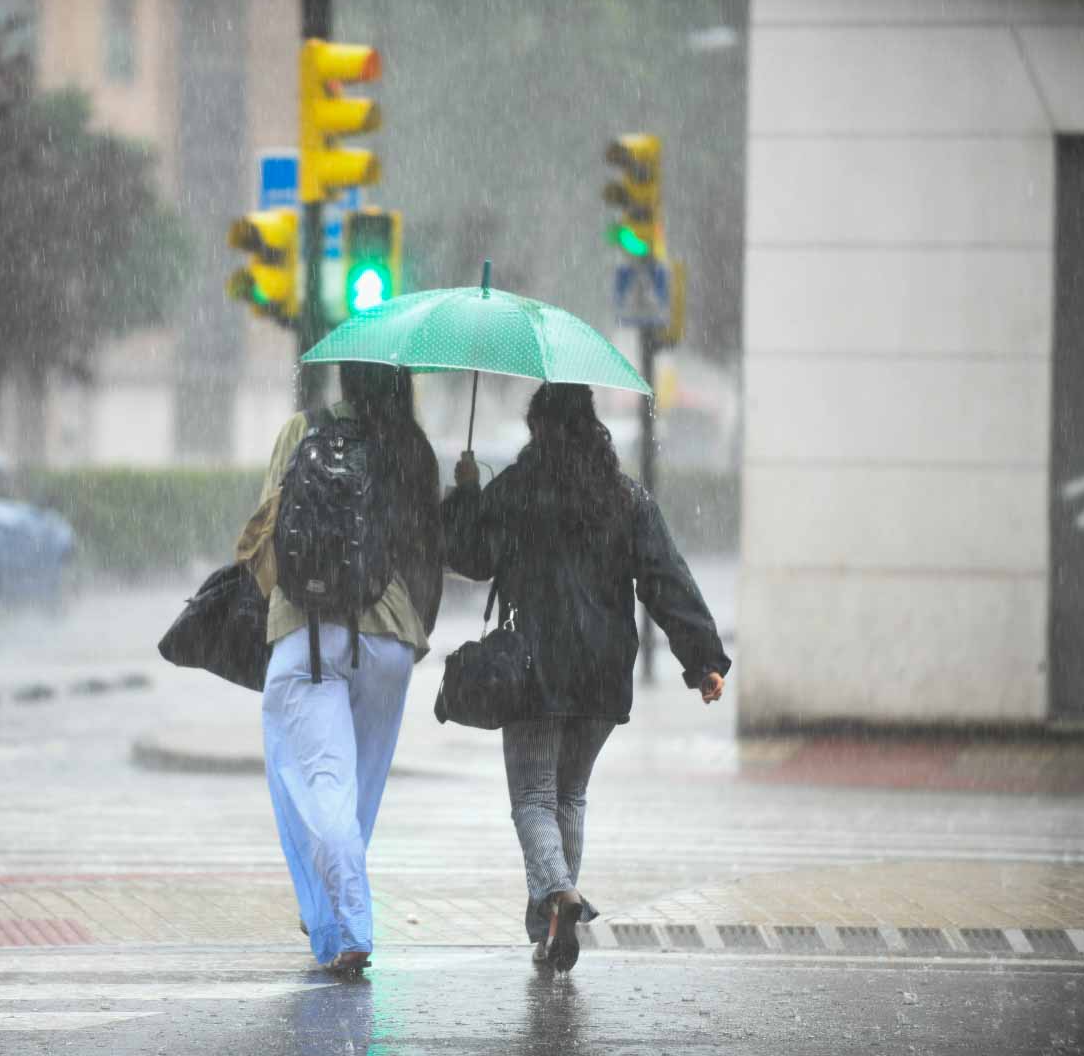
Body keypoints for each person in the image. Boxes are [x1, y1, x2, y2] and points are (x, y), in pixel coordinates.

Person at [442, 382, 729, 972]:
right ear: (592, 427)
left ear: (539, 429)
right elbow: (664, 577)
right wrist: (702, 659)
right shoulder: (625, 498)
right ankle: (552, 925)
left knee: (533, 799)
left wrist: (466, 492)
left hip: (535, 666)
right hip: (603, 669)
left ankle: (559, 894)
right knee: (569, 795)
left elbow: (469, 554)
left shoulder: (519, 491)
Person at [235, 362, 443, 972]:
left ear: (345, 379)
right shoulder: (412, 449)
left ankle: (347, 923)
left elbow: (264, 536)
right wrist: (413, 627)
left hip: (307, 632)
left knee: (315, 783)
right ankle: (333, 898)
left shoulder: (301, 431)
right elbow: (430, 551)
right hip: (390, 640)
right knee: (356, 793)